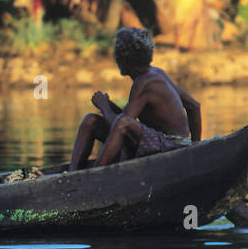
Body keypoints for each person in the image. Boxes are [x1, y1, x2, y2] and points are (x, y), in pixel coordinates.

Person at [69, 27, 202, 170]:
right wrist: (109, 105)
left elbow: (121, 125)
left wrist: (104, 106)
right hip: (157, 142)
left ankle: (94, 175)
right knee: (91, 121)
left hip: (171, 146)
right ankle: (71, 174)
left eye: (118, 55)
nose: (116, 59)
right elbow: (194, 106)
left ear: (125, 59)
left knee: (123, 123)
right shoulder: (155, 73)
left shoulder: (145, 82)